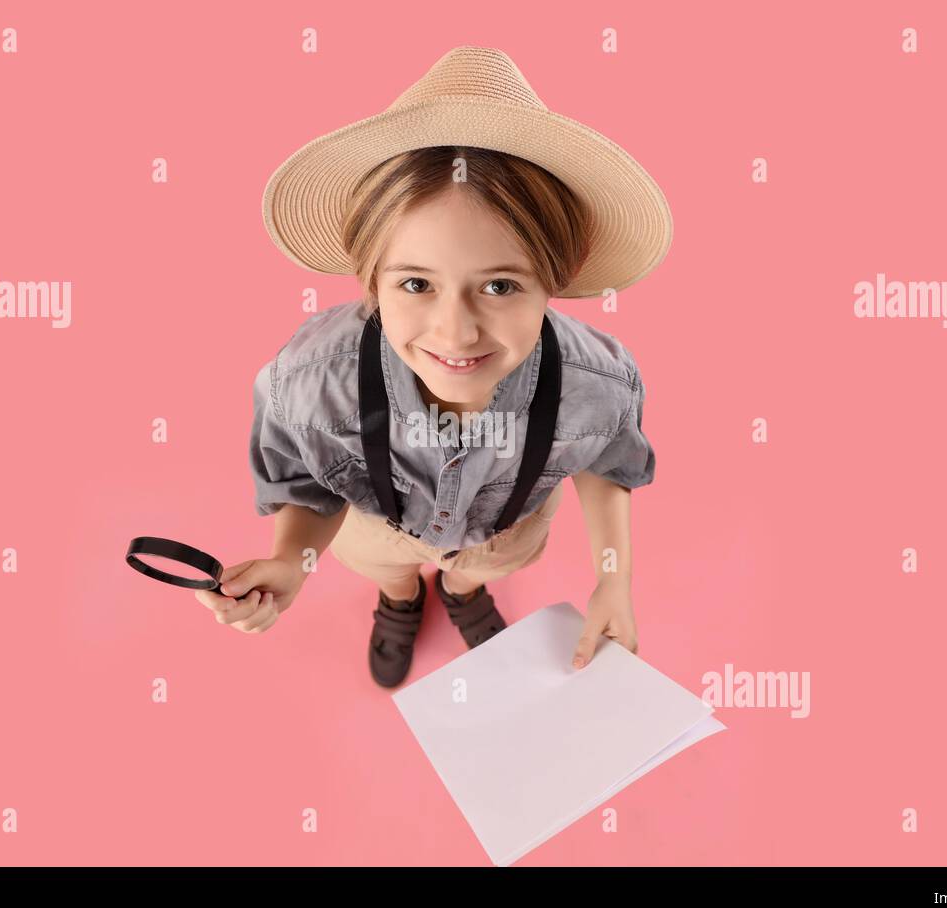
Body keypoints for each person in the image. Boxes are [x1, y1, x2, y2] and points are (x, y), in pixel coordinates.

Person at [197, 46, 672, 688]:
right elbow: (307, 487)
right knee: (388, 566)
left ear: (556, 277)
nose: (457, 331)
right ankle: (399, 603)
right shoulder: (309, 383)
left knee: (480, 564)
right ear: (369, 277)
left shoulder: (597, 382)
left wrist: (613, 580)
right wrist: (292, 559)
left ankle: (463, 592)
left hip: (506, 530)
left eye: (501, 286)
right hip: (375, 531)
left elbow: (607, 458)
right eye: (417, 284)